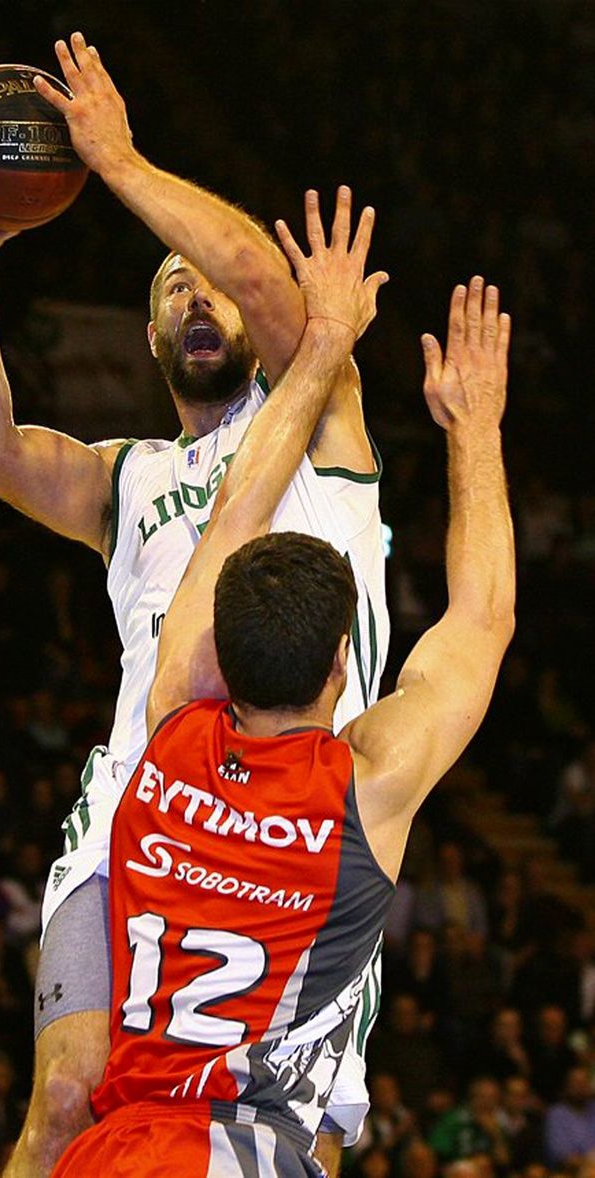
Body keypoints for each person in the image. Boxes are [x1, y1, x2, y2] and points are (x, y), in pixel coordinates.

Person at [0, 30, 390, 1175]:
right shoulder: (125, 476)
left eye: (210, 281)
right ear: (149, 337)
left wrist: (119, 164)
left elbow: (271, 281)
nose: (199, 294)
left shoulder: (319, 408)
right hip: (145, 796)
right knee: (64, 1099)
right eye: (174, 286)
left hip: (297, 818)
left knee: (291, 1138)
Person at [52, 199, 514, 1173]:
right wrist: (473, 426)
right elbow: (482, 619)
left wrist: (324, 345)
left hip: (118, 1149)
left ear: (213, 646)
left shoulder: (167, 732)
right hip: (248, 1153)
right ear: (344, 660)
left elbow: (230, 514)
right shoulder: (365, 792)